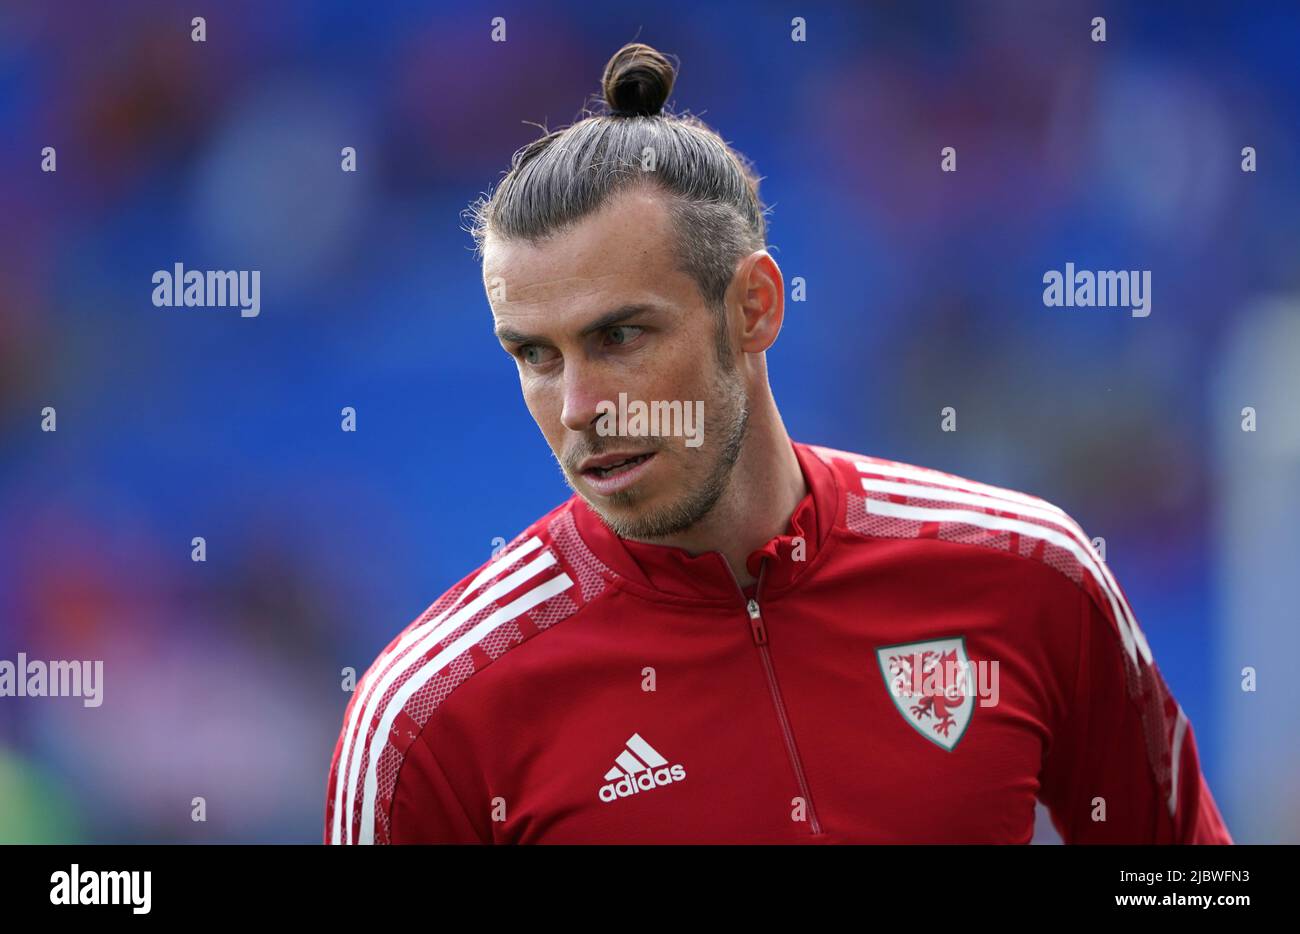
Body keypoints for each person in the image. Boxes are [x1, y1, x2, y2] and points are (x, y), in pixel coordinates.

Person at [325, 42, 1231, 844]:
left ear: (753, 307)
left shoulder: (1030, 573)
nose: (580, 407)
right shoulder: (430, 716)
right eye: (535, 355)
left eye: (620, 337)